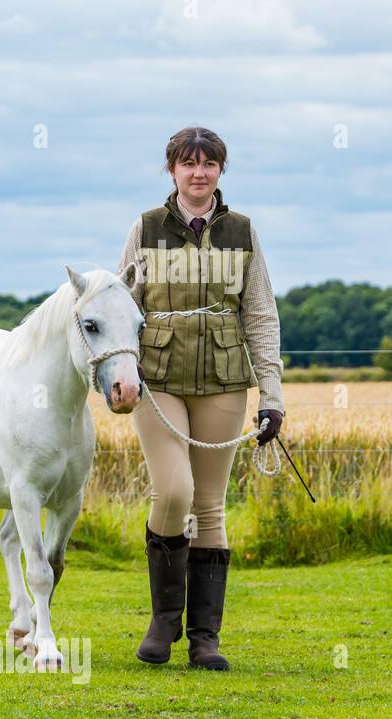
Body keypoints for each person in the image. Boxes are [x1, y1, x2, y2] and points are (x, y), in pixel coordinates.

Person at [118, 127, 285, 671]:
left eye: (208, 164)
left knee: (210, 506)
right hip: (158, 378)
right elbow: (123, 305)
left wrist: (272, 396)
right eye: (188, 164)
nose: (198, 173)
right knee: (173, 492)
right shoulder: (145, 228)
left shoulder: (242, 231)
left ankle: (204, 638)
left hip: (224, 379)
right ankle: (164, 621)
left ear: (220, 170)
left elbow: (259, 314)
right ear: (171, 170)